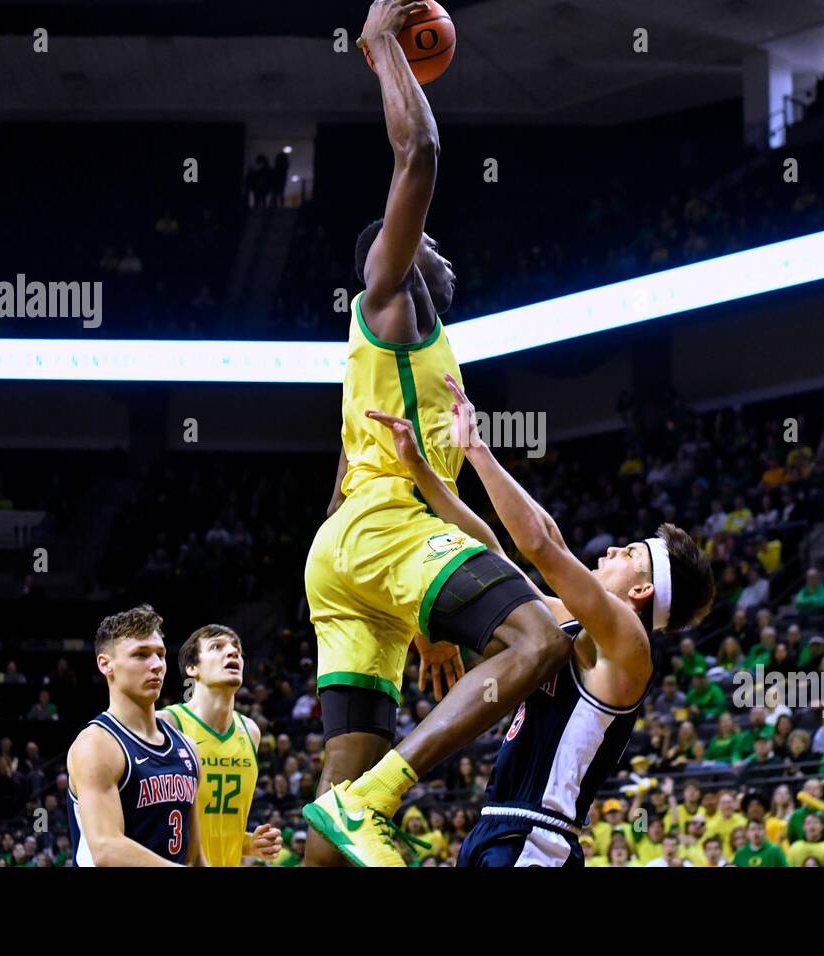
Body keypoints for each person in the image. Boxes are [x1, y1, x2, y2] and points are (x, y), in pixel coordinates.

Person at [301, 0, 578, 867]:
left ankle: (348, 811)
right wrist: (383, 45)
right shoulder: (391, 301)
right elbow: (418, 152)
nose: (442, 251)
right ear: (398, 250)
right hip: (382, 533)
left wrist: (422, 621)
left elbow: (410, 498)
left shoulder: (412, 362)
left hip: (347, 551)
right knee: (537, 638)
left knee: (336, 772)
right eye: (428, 239)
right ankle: (380, 802)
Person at [308, 376, 715, 866]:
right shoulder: (568, 622)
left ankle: (378, 794)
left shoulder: (629, 645)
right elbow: (498, 554)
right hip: (496, 829)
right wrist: (421, 468)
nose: (611, 549)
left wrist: (477, 448)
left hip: (537, 838)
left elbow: (544, 543)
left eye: (628, 553)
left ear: (642, 591)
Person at [65, 605, 206, 866]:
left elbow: (195, 857)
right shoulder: (97, 745)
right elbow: (107, 850)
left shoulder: (187, 747)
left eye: (160, 655)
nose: (156, 665)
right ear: (105, 665)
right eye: (141, 655)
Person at [158, 625, 282, 867]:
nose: (233, 653)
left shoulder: (251, 731)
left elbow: (216, 828)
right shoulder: (168, 724)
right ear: (192, 668)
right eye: (217, 647)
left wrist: (250, 844)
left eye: (237, 650)